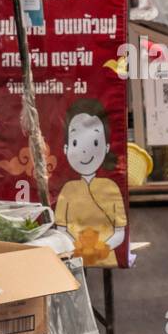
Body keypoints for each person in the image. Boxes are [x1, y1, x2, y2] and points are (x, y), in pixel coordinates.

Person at [55, 97, 127, 268]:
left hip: (107, 256)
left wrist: (103, 248)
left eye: (95, 142)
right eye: (75, 142)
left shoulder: (111, 187)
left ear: (107, 147)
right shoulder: (67, 189)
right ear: (66, 149)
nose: (85, 150)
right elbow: (61, 229)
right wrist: (77, 247)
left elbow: (120, 231)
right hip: (73, 256)